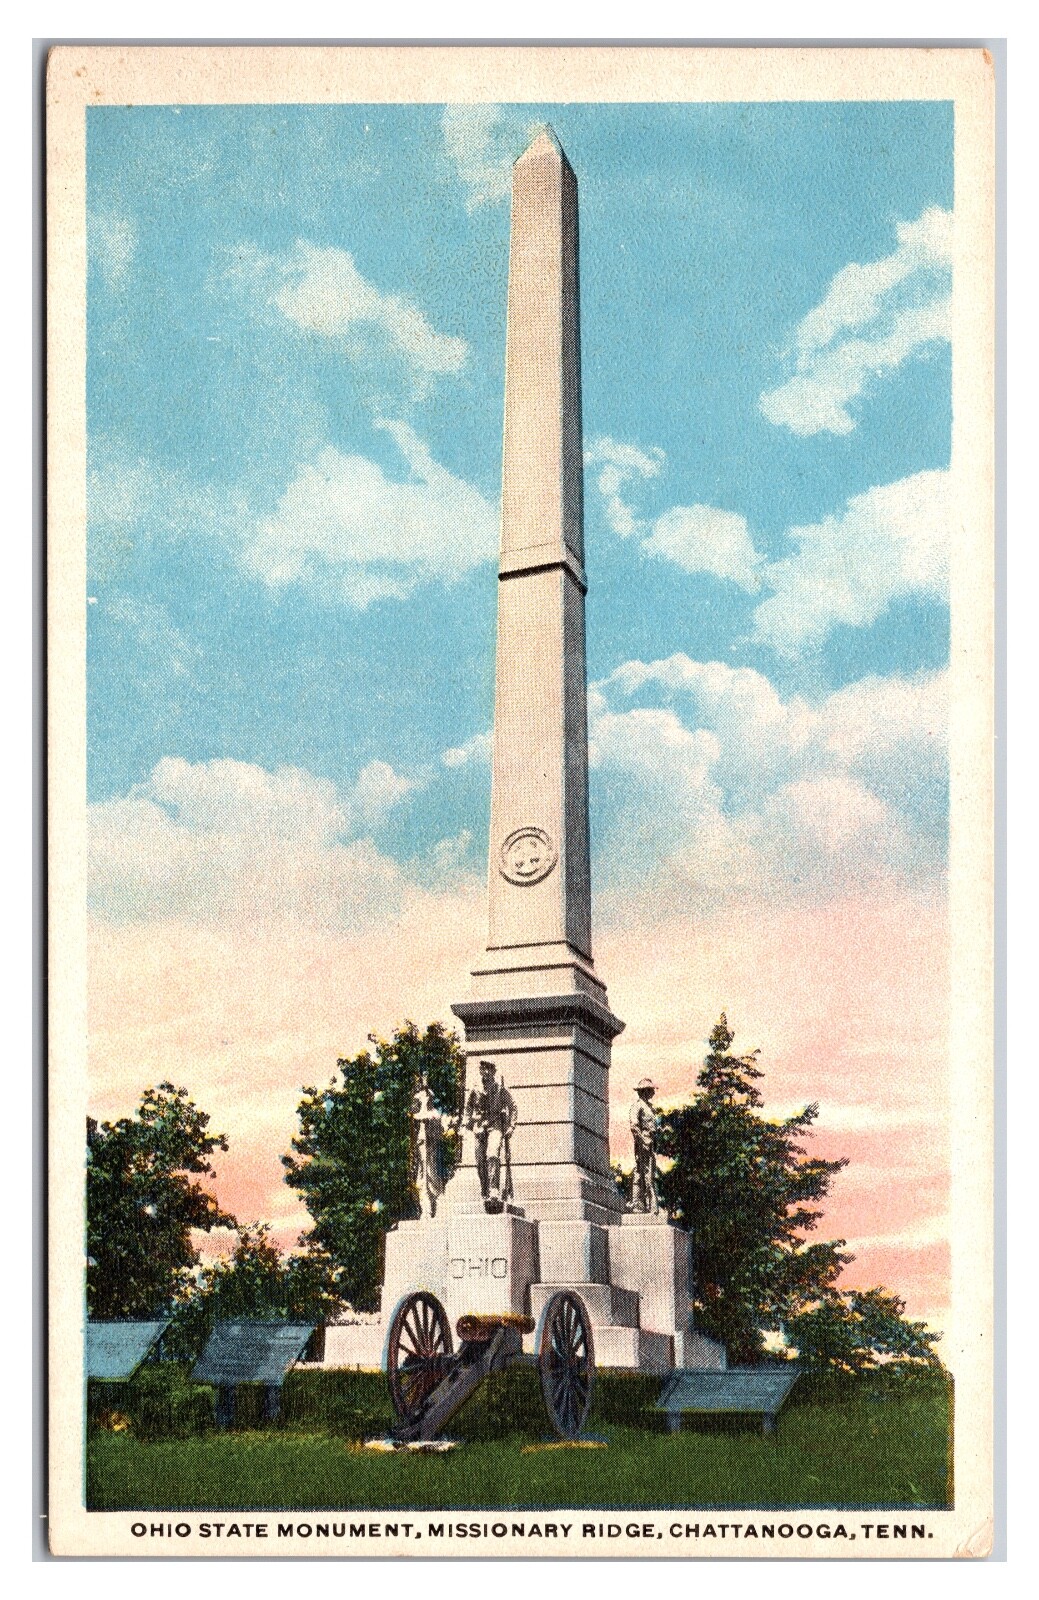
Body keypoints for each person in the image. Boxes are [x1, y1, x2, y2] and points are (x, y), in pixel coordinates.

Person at [465, 1060, 517, 1213]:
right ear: (480, 1071)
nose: (486, 1072)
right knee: (480, 1162)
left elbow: (512, 1106)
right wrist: (467, 1124)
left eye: (489, 1069)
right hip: (480, 1127)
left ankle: (494, 1189)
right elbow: (468, 1108)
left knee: (492, 1154)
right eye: (483, 1069)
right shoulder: (475, 1089)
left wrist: (511, 1126)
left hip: (495, 1126)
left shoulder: (500, 1089)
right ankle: (485, 1190)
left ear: (493, 1072)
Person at [410, 1075, 456, 1219]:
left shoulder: (434, 1104)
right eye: (423, 1076)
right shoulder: (418, 1100)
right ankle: (427, 1209)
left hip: (434, 1141)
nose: (426, 1079)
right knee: (423, 1175)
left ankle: (436, 1205)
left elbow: (441, 1119)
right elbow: (414, 1115)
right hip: (423, 1141)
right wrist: (425, 1115)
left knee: (434, 1172)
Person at [629, 1076, 659, 1214]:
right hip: (643, 1142)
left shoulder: (650, 1107)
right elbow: (634, 1126)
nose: (653, 1092)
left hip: (651, 1142)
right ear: (644, 1091)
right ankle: (638, 1204)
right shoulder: (638, 1106)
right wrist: (642, 1141)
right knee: (642, 1171)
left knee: (650, 1173)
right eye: (650, 1090)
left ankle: (650, 1204)